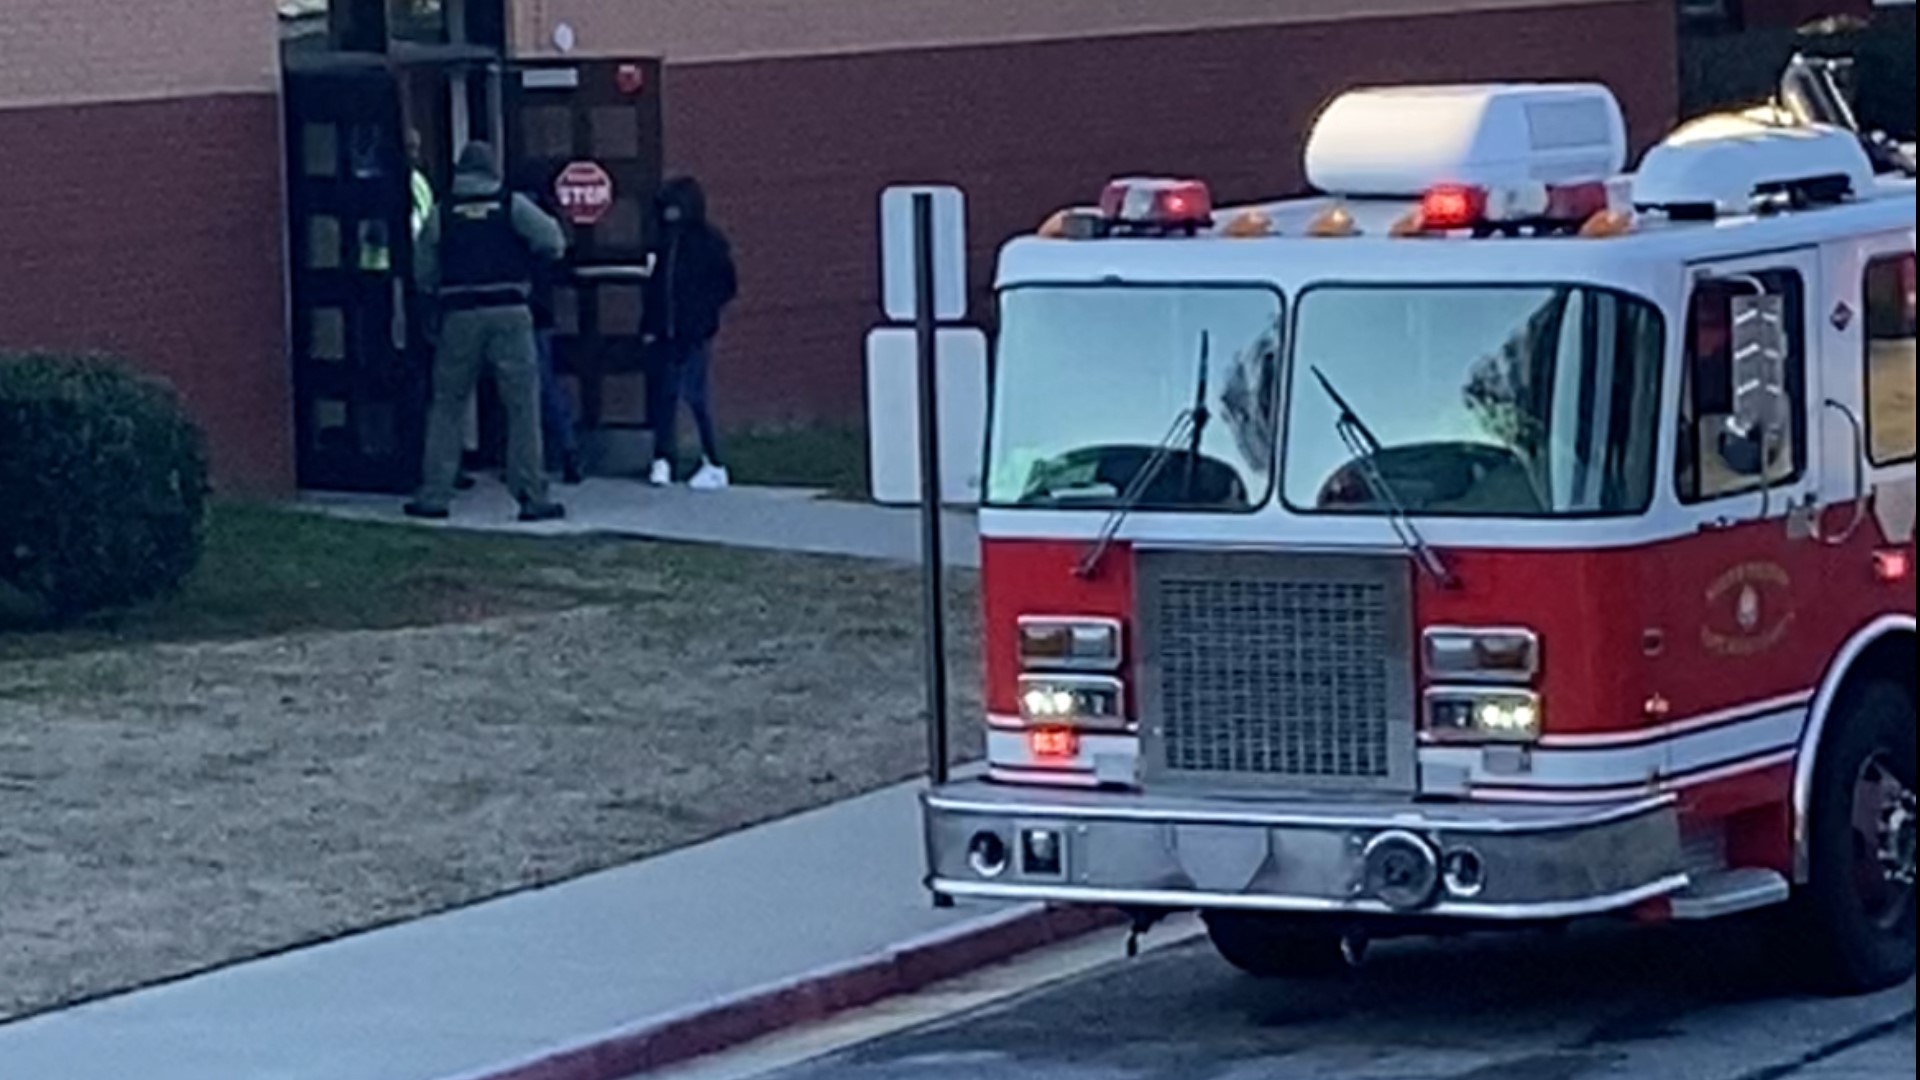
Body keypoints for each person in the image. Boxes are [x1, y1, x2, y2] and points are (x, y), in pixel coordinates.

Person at [405, 142, 569, 523]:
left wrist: (433, 298)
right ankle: (531, 496)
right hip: (510, 312)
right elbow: (553, 241)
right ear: (493, 169)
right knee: (522, 407)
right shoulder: (511, 205)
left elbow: (422, 269)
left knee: (447, 405)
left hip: (459, 315)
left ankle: (434, 495)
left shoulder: (443, 213)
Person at [644, 176, 738, 491]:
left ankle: (713, 461)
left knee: (695, 396)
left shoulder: (708, 243)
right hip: (666, 333)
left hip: (694, 333)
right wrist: (650, 325)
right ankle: (664, 457)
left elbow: (726, 286)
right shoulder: (663, 242)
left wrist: (702, 318)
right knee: (665, 396)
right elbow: (654, 289)